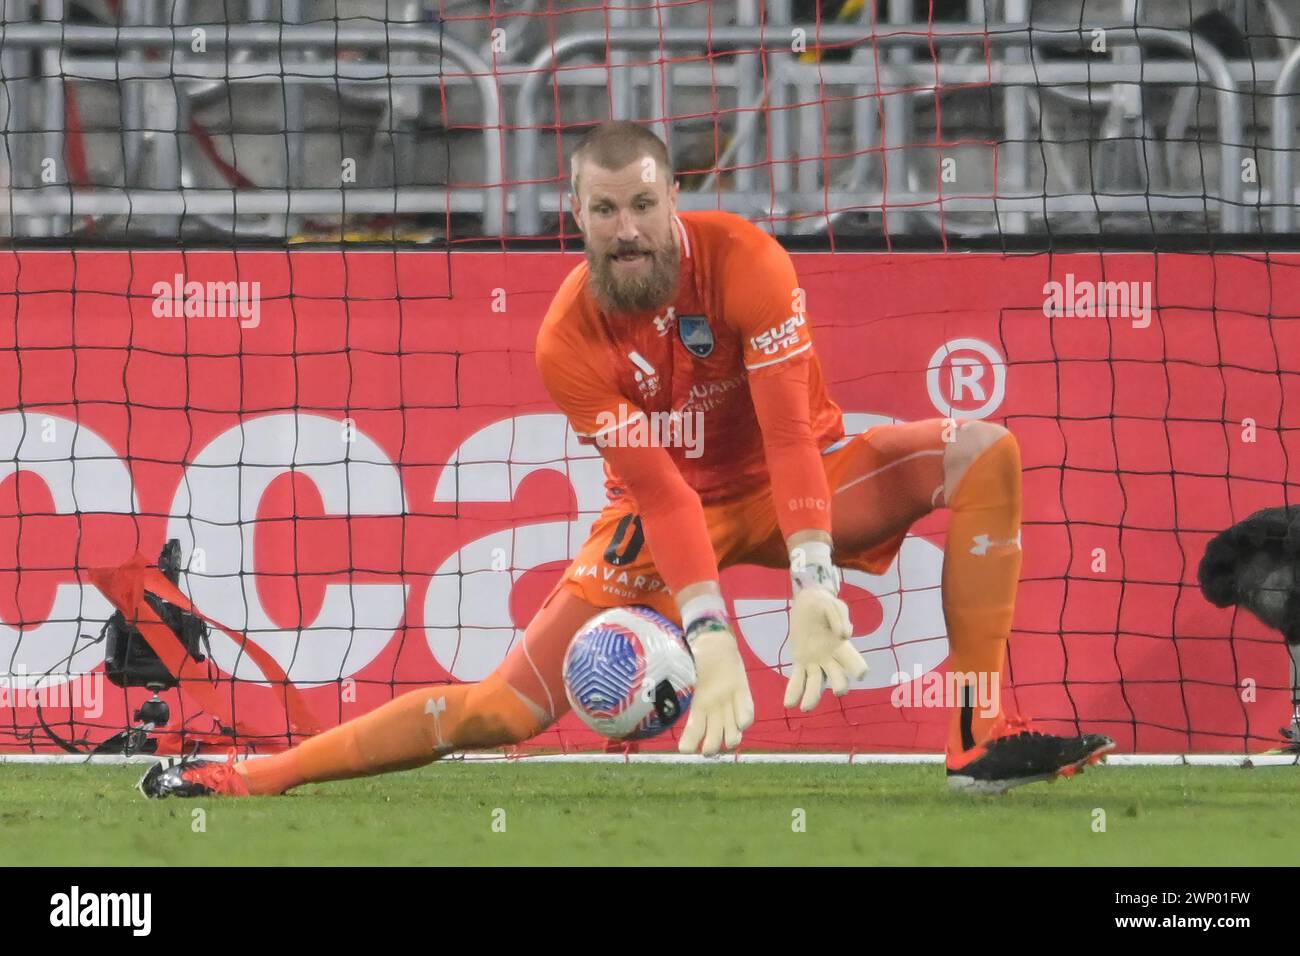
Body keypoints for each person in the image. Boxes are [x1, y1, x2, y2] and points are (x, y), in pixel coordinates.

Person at [139, 121, 1112, 799]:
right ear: (578, 211)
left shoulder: (747, 264)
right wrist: (712, 631)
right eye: (604, 210)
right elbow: (661, 491)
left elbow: (787, 438)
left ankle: (974, 730)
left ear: (672, 196)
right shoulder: (569, 335)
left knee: (982, 452)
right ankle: (256, 773)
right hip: (663, 518)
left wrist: (814, 575)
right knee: (500, 709)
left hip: (787, 487)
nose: (626, 228)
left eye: (641, 204)